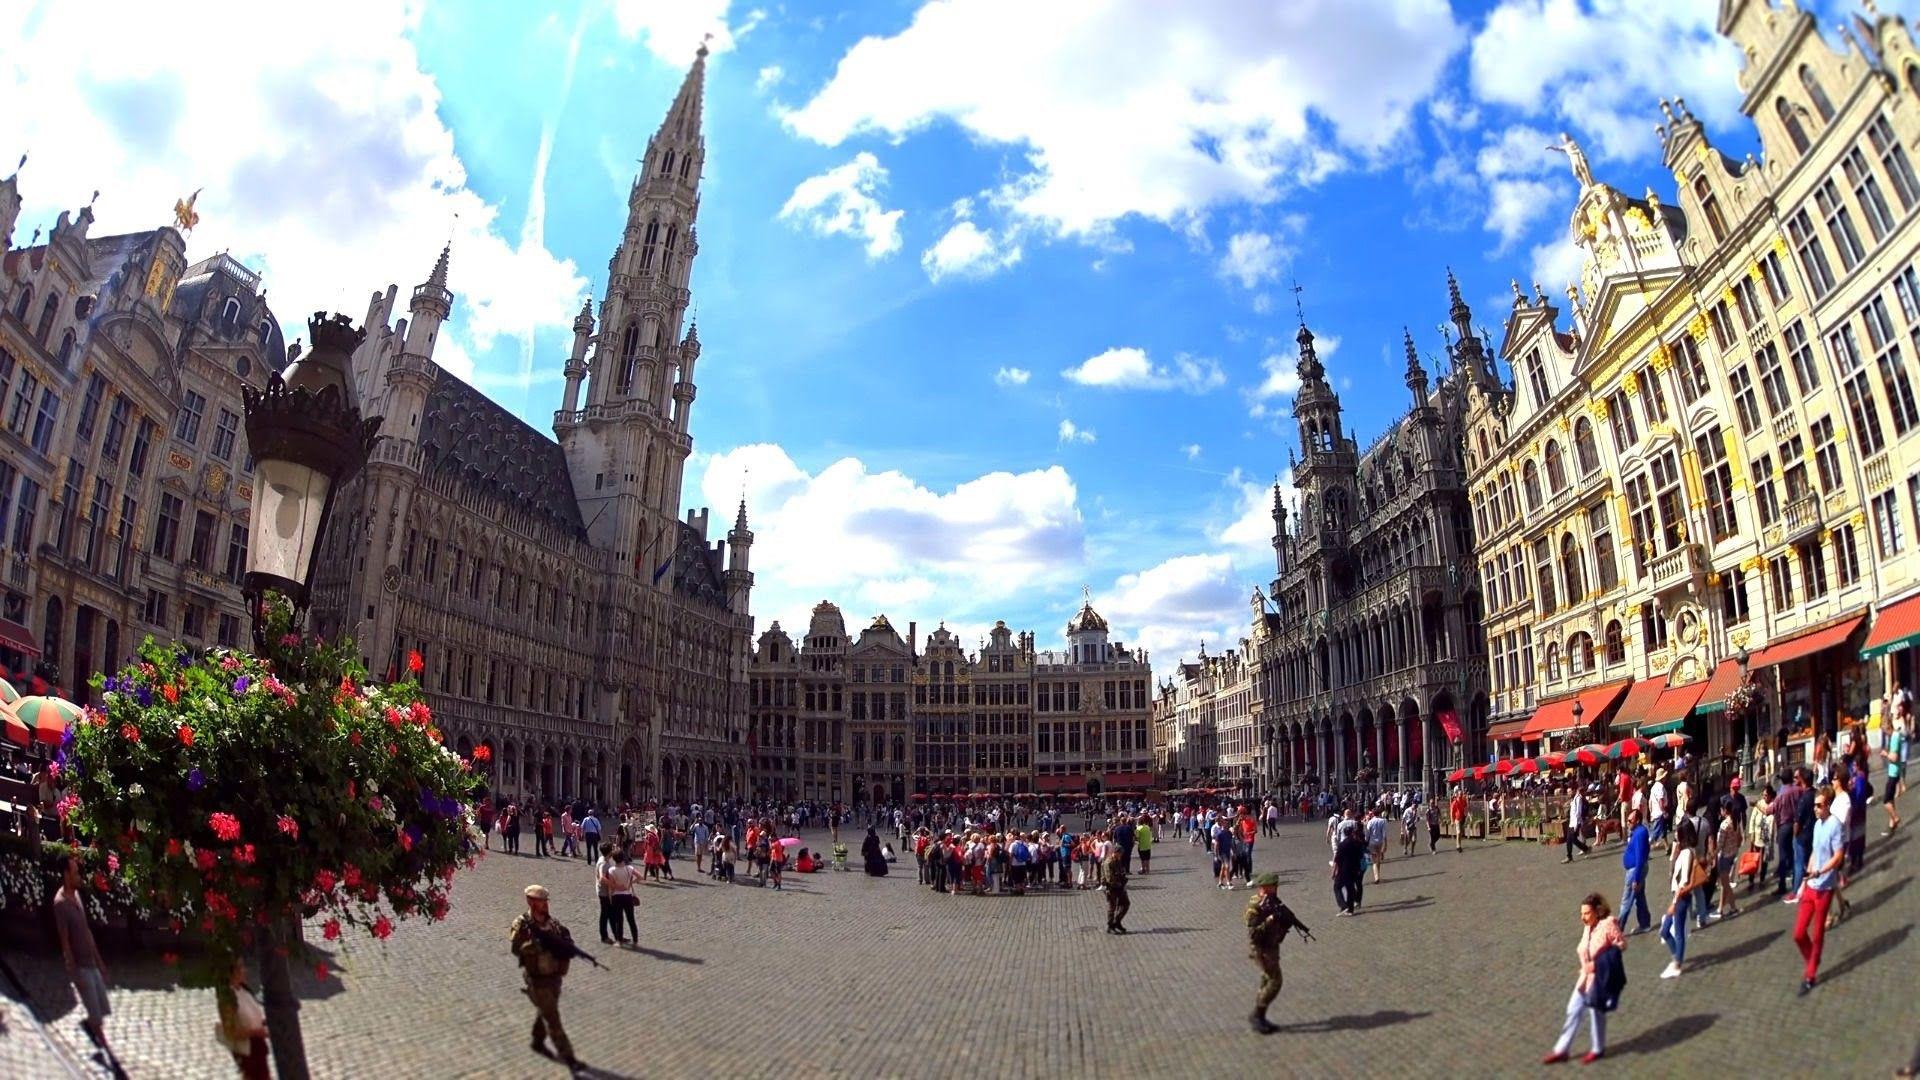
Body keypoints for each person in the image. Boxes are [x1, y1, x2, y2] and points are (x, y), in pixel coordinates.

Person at [1543, 892, 1624, 1065]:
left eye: (1586, 913)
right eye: (1581, 913)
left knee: (1596, 1015)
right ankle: (1561, 1050)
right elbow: (1584, 948)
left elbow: (1621, 945)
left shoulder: (1608, 924)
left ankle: (1597, 1049)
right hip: (1585, 979)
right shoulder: (1588, 927)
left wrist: (1598, 964)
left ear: (1598, 911)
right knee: (1573, 1010)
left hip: (1599, 980)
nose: (1583, 917)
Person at [509, 885, 577, 1069]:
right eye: (541, 901)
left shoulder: (553, 924)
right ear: (530, 902)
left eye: (546, 901)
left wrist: (566, 945)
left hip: (554, 976)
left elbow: (566, 940)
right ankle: (569, 1057)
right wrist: (538, 945)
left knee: (546, 1009)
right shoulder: (522, 924)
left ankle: (537, 1040)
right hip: (536, 977)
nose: (545, 904)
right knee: (552, 1017)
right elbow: (516, 948)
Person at [52, 855, 112, 1056]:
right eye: (76, 873)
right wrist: (73, 970)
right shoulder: (60, 904)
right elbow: (64, 940)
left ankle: (90, 1026)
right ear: (66, 875)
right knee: (96, 1013)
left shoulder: (77, 897)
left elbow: (86, 930)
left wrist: (100, 961)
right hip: (81, 967)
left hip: (91, 963)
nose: (80, 877)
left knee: (103, 1007)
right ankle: (102, 1044)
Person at [1793, 790, 1846, 994]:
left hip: (1824, 887)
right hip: (1812, 885)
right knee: (1798, 933)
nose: (1815, 809)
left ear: (1828, 805)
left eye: (1819, 805)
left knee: (1817, 933)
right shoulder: (1817, 825)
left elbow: (1838, 856)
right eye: (1815, 805)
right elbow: (1816, 851)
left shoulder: (1835, 826)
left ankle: (1811, 974)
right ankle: (1812, 959)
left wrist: (1821, 871)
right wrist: (1809, 870)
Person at [1244, 871, 1309, 1035]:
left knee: (1267, 979)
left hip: (1271, 946)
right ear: (1265, 888)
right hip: (1262, 949)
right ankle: (1257, 1015)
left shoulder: (1271, 901)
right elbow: (1253, 934)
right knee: (1275, 982)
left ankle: (1259, 1016)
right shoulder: (1255, 906)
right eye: (1273, 886)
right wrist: (1270, 920)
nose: (1276, 889)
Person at [1657, 818, 1700, 979]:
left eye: (1677, 832)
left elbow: (1684, 881)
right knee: (1665, 930)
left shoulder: (1688, 853)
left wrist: (1674, 903)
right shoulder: (1682, 851)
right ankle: (1677, 956)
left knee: (1677, 931)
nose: (1675, 834)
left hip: (1681, 897)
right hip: (1677, 896)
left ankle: (1677, 963)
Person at [216, 959, 269, 1079]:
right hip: (246, 1051)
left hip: (258, 1048)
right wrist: (255, 1032)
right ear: (231, 973)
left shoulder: (244, 990)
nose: (244, 971)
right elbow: (230, 1031)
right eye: (240, 968)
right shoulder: (227, 999)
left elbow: (250, 1017)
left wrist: (264, 1022)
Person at [1615, 808, 1651, 934]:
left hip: (1635, 870)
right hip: (1637, 869)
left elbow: (1640, 856)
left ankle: (1619, 929)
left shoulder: (1640, 833)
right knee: (1640, 896)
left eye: (1630, 820)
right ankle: (1645, 923)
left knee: (1627, 900)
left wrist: (1636, 878)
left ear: (1637, 821)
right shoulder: (1636, 832)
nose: (1628, 822)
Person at [1332, 823, 1367, 915]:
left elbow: (1337, 859)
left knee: (1337, 887)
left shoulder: (1342, 845)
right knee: (1350, 888)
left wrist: (1334, 872)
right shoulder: (1357, 843)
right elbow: (1360, 856)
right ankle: (1350, 909)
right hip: (1355, 868)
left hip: (1343, 869)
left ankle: (1343, 905)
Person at [1882, 719, 1907, 834]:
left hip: (1893, 772)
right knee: (1891, 798)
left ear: (1888, 728)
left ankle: (1895, 818)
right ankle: (1891, 823)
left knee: (1886, 800)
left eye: (1884, 731)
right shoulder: (1895, 736)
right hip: (1894, 772)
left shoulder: (1894, 738)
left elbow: (1895, 757)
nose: (1885, 733)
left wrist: (1886, 754)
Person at [1103, 841, 1131, 933]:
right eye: (1120, 853)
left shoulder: (1118, 860)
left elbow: (1120, 872)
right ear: (1115, 852)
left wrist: (1123, 880)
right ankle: (1110, 926)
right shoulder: (1109, 862)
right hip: (1112, 888)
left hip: (1120, 887)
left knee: (1125, 904)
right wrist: (1118, 884)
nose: (1121, 856)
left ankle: (1117, 922)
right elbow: (1109, 878)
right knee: (1112, 907)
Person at [1562, 786, 1591, 862]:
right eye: (1567, 792)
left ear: (1574, 791)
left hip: (1576, 822)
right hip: (1572, 822)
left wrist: (1576, 825)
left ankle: (1571, 855)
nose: (1568, 793)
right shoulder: (1574, 799)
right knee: (1570, 839)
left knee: (1572, 839)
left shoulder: (1578, 799)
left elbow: (1578, 812)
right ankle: (1583, 850)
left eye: (1570, 791)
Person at [1364, 808, 1388, 883]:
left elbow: (1367, 834)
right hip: (1380, 842)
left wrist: (1366, 843)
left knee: (1374, 861)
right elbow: (1384, 834)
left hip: (1372, 842)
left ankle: (1376, 877)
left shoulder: (1370, 822)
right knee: (1378, 859)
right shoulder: (1383, 821)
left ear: (1373, 814)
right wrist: (1386, 844)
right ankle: (1378, 874)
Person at [1449, 787, 1468, 852]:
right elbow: (1451, 812)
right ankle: (1458, 845)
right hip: (1457, 819)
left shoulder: (1463, 800)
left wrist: (1467, 814)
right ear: (1457, 794)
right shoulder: (1454, 802)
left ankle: (1459, 843)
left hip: (1462, 817)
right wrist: (1452, 821)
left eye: (1461, 794)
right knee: (1459, 832)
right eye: (1459, 794)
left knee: (1461, 833)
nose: (1460, 795)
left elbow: (1466, 807)